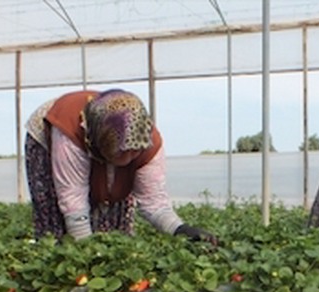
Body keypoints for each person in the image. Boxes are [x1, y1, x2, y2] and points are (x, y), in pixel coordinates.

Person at [24, 89, 218, 245]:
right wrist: (85, 250)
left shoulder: (147, 142)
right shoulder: (70, 135)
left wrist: (180, 229)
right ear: (101, 143)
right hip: (50, 137)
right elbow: (72, 196)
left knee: (116, 224)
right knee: (59, 227)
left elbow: (154, 202)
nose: (130, 157)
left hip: (105, 133)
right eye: (122, 152)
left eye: (135, 151)